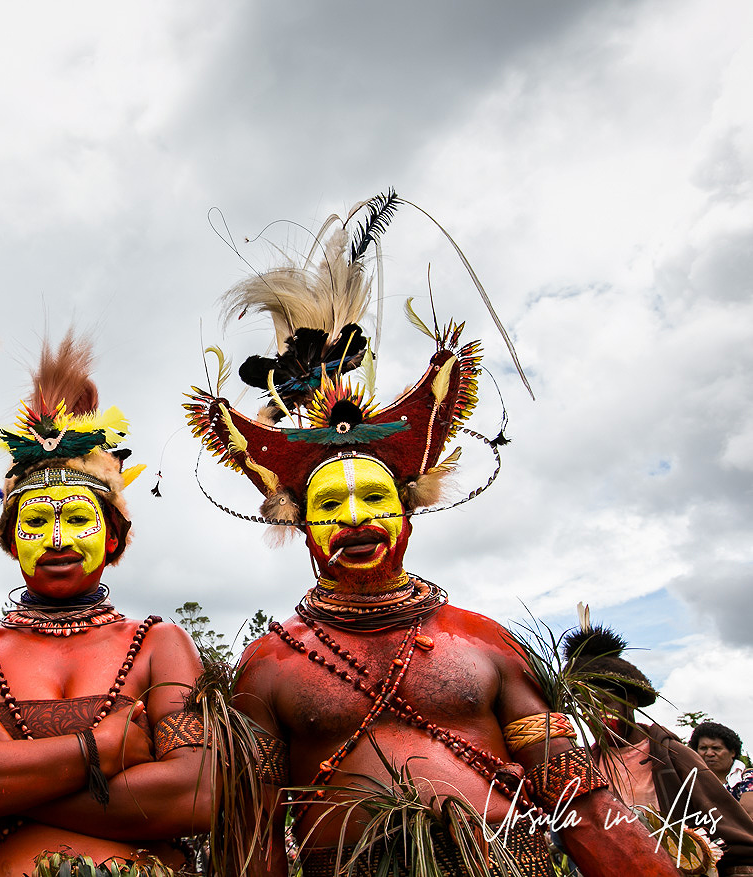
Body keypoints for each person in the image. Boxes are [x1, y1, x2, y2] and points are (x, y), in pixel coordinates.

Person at [185, 193, 685, 876]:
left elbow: (579, 794)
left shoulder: (486, 643)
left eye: (374, 498)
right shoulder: (269, 665)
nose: (356, 517)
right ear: (302, 525)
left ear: (408, 513)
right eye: (332, 503)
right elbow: (253, 831)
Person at [0, 334, 211, 876]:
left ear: (112, 537)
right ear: (10, 540)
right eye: (36, 522)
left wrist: (2, 781)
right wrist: (97, 751)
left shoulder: (160, 646)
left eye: (78, 519)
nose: (57, 539)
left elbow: (195, 795)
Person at [567, 626, 753, 876]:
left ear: (630, 701)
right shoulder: (586, 767)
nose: (595, 714)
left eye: (604, 702)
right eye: (584, 706)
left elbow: (730, 829)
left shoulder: (670, 754)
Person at [688, 722, 753, 818]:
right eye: (703, 748)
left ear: (732, 752)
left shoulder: (748, 778)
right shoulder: (691, 781)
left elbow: (748, 815)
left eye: (716, 748)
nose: (709, 753)